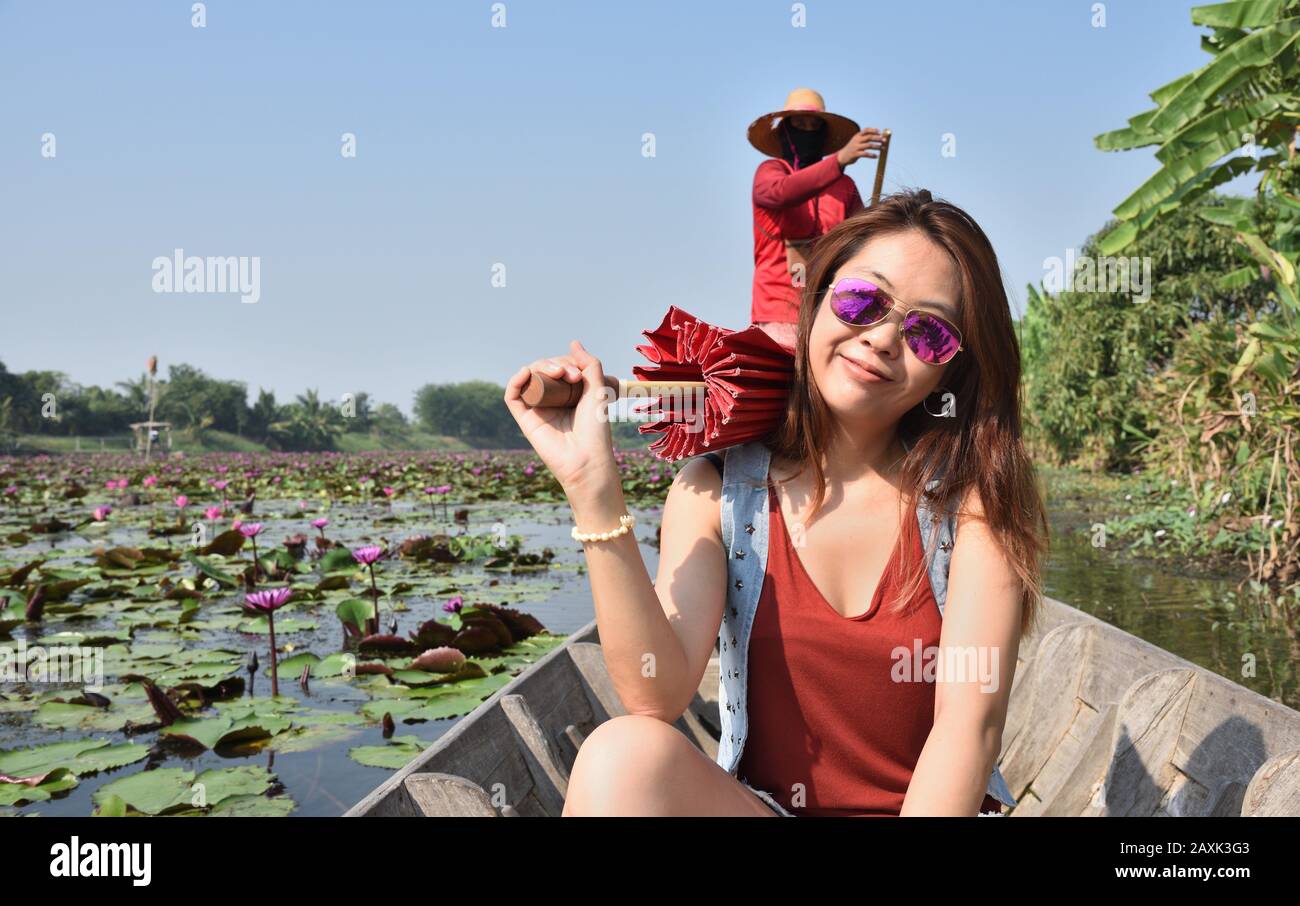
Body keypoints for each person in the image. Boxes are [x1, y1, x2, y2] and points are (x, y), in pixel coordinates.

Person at [503, 189, 1048, 816]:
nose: (882, 339)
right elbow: (655, 694)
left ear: (952, 371)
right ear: (815, 304)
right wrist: (592, 491)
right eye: (862, 301)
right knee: (621, 756)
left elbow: (968, 732)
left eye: (929, 332)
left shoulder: (970, 507)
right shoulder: (719, 491)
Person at [748, 88, 884, 351]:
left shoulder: (844, 186)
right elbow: (780, 193)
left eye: (814, 125)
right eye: (799, 124)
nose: (807, 130)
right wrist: (839, 161)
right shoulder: (770, 174)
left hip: (828, 316)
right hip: (776, 315)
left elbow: (862, 243)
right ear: (785, 131)